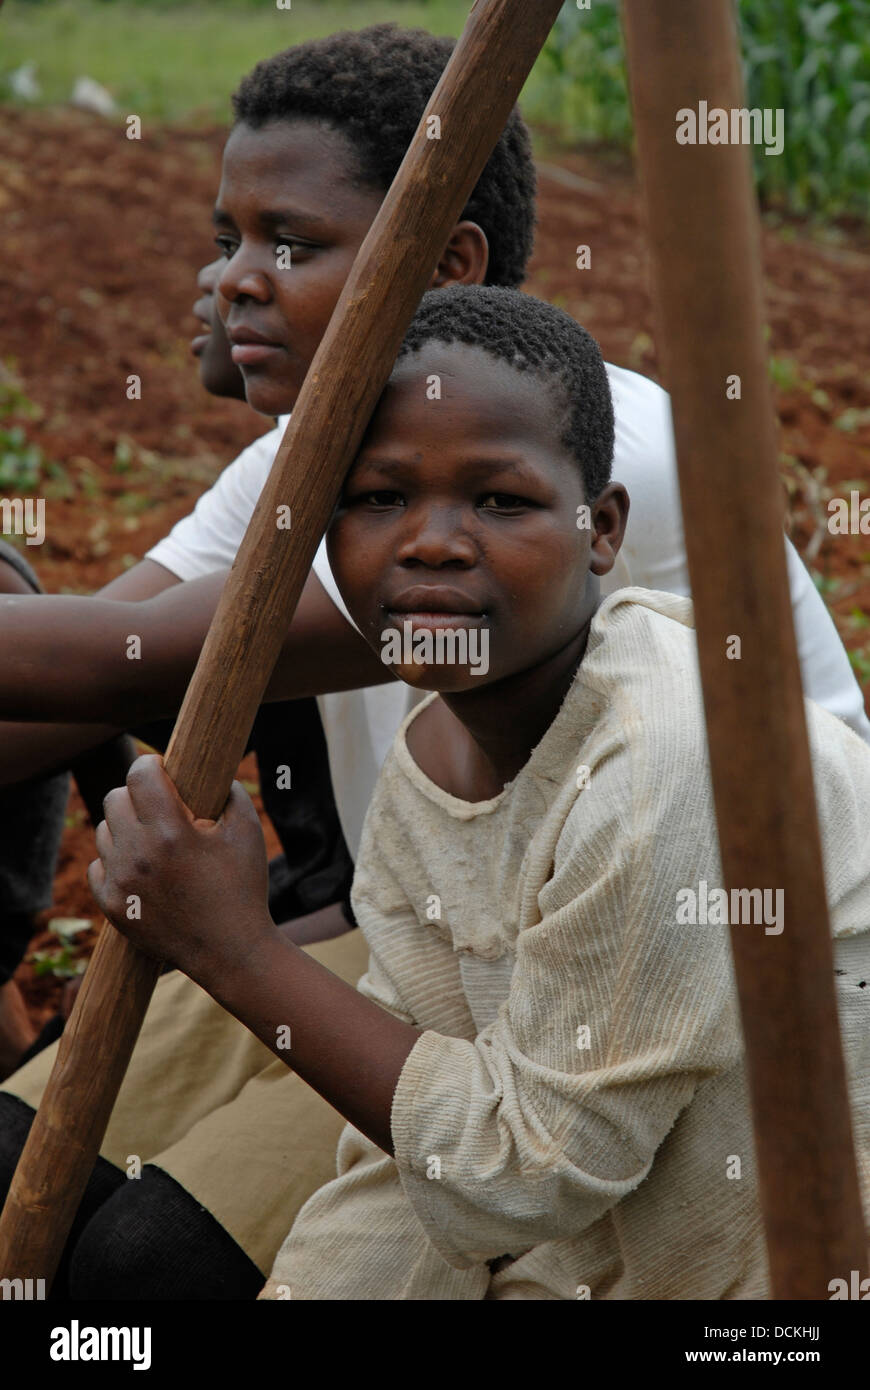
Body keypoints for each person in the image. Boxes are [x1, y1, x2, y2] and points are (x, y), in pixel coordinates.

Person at [9, 287, 869, 1300]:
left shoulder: (665, 761)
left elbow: (523, 1172)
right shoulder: (434, 765)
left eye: (500, 500)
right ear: (325, 546)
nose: (433, 542)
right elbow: (402, 1174)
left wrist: (230, 947)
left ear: (601, 529)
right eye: (380, 500)